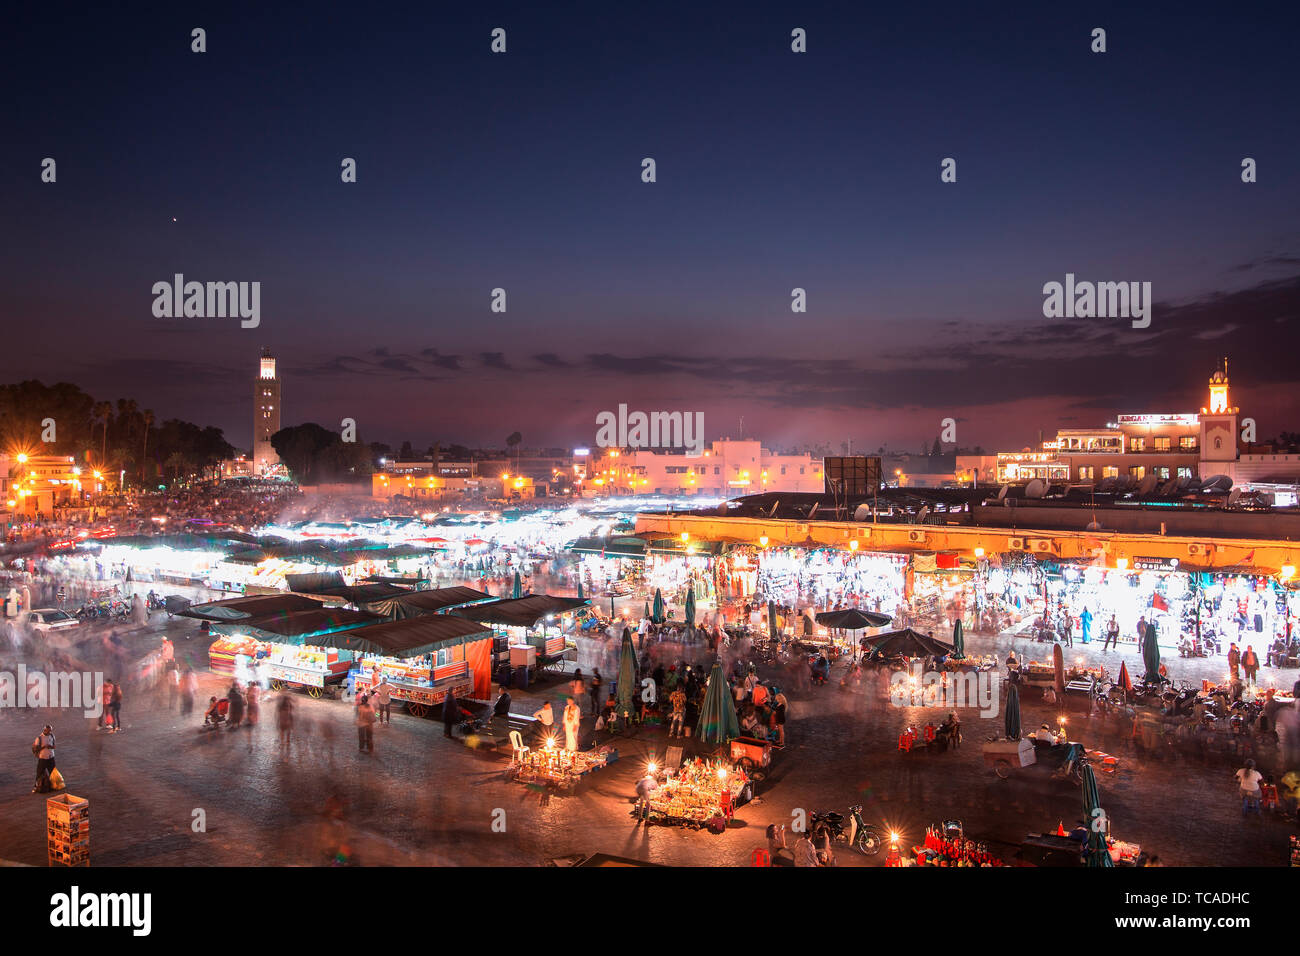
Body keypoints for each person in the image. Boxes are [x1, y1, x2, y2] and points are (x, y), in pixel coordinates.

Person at [32, 724, 56, 793]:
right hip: (43, 758)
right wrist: (44, 747)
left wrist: (50, 746)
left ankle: (53, 786)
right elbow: (36, 749)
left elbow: (54, 746)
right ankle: (36, 787)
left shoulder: (52, 736)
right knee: (39, 773)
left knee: (53, 773)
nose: (50, 732)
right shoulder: (39, 738)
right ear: (44, 730)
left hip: (51, 757)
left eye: (50, 731)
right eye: (48, 731)